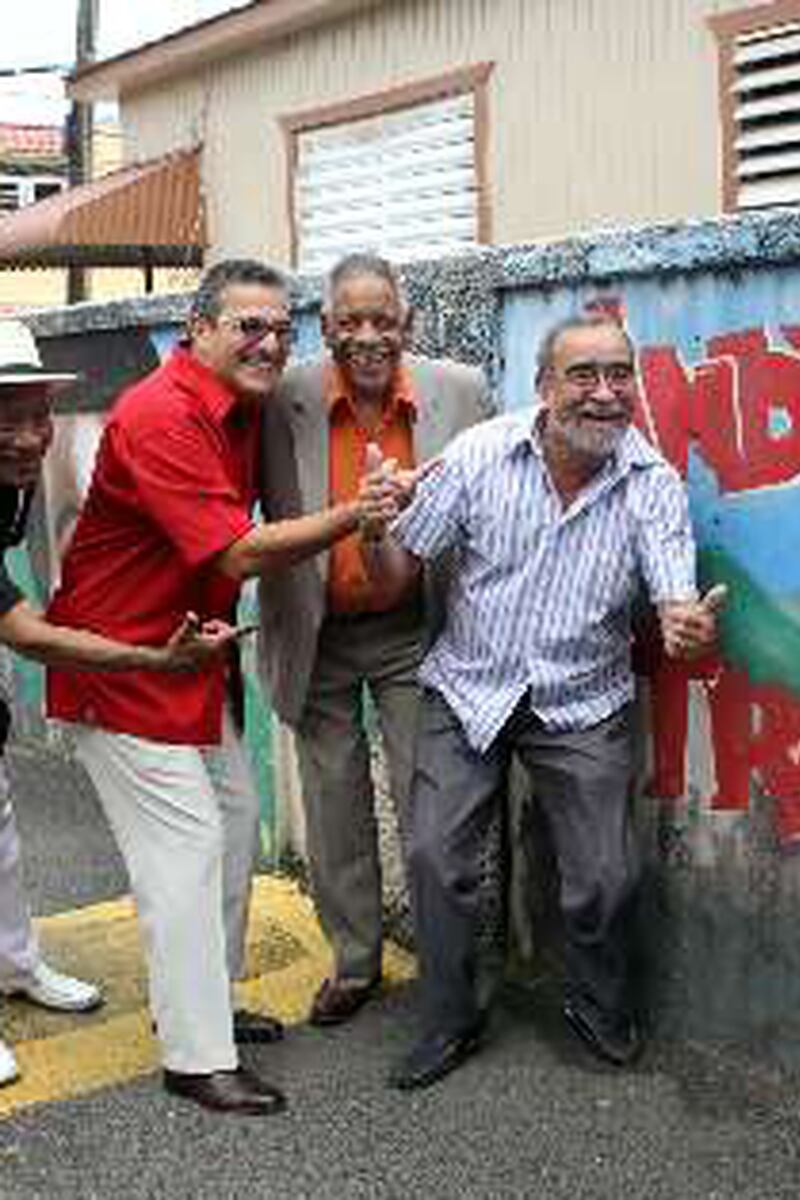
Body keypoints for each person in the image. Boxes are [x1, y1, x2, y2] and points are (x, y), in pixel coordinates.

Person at [45, 260, 400, 1117]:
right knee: (186, 851)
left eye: (282, 328)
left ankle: (208, 998)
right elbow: (236, 552)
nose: (270, 343)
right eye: (248, 326)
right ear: (197, 329)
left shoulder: (237, 405)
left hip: (184, 662)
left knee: (235, 822)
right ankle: (196, 1056)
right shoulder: (164, 414)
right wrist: (358, 513)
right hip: (117, 666)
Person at [359, 313, 722, 1090]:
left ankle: (596, 1004)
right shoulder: (481, 454)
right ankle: (451, 1017)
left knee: (606, 876)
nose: (603, 394)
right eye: (582, 376)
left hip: (581, 700)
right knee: (436, 857)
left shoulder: (650, 483)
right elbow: (397, 568)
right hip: (469, 688)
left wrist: (683, 626)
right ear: (544, 387)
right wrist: (376, 525)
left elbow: (673, 601)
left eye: (619, 375)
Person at [0, 318, 236, 1089]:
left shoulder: (17, 477)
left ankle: (16, 967)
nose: (30, 437)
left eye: (38, 416)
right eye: (8, 419)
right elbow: (29, 633)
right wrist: (148, 661)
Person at [257, 252, 490, 1028]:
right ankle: (355, 963)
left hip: (412, 630)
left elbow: (490, 504)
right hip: (315, 630)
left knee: (431, 805)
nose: (367, 336)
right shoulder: (278, 396)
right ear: (323, 328)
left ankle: (444, 962)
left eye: (381, 320)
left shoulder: (460, 392)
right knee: (333, 806)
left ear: (407, 324)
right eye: (349, 321)